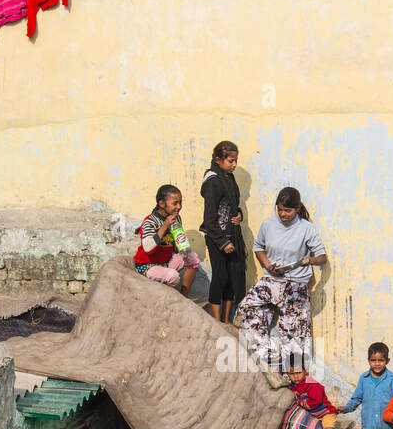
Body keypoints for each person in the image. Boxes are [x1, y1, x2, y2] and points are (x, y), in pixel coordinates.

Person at [235, 187, 326, 369]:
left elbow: (322, 257)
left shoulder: (306, 228)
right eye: (280, 209)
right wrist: (267, 264)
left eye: (288, 210)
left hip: (296, 285)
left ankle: (293, 378)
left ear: (297, 209)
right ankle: (270, 361)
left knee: (295, 334)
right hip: (272, 280)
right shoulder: (268, 224)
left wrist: (309, 260)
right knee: (245, 312)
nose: (282, 214)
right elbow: (258, 247)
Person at [200, 140, 247, 322]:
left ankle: (227, 320)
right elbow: (210, 218)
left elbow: (233, 204)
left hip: (232, 235)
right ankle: (216, 321)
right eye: (230, 161)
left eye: (236, 161)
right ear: (218, 160)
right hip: (217, 238)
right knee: (220, 277)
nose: (234, 164)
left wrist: (239, 215)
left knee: (232, 278)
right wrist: (222, 242)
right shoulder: (213, 181)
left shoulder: (228, 177)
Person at [135, 184, 200, 295]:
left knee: (192, 257)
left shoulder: (176, 217)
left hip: (165, 262)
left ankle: (183, 297)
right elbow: (148, 249)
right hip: (148, 265)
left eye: (180, 202)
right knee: (173, 276)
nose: (179, 206)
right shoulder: (150, 222)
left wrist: (182, 247)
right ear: (161, 204)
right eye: (175, 203)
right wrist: (165, 226)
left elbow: (179, 246)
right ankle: (173, 302)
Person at [286, 366, 360, 429]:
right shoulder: (294, 384)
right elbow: (293, 388)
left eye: (298, 372)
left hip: (326, 414)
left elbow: (315, 402)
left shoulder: (313, 384)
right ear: (287, 374)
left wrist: (300, 402)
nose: (296, 376)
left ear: (305, 372)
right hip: (315, 414)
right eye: (292, 374)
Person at [339, 341, 393, 429]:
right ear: (368, 360)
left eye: (381, 360)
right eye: (373, 360)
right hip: (371, 424)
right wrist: (345, 408)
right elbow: (357, 398)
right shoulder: (364, 378)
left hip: (387, 425)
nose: (377, 364)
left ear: (387, 361)